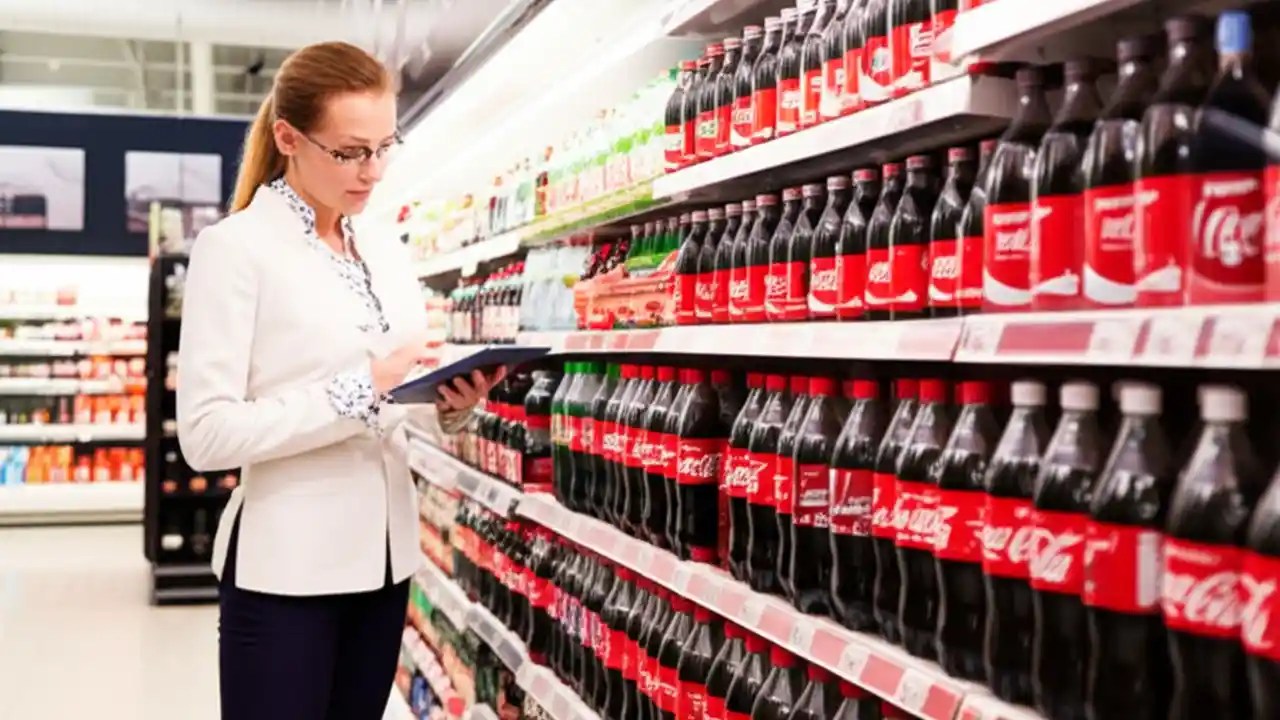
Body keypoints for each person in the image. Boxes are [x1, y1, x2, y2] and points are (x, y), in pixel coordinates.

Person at [176, 41, 503, 720]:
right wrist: (360, 385)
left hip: (385, 563)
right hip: (285, 573)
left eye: (386, 146)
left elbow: (393, 402)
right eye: (351, 152)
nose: (374, 171)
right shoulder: (235, 249)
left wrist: (449, 405)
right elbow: (206, 435)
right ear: (288, 138)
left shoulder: (383, 248)